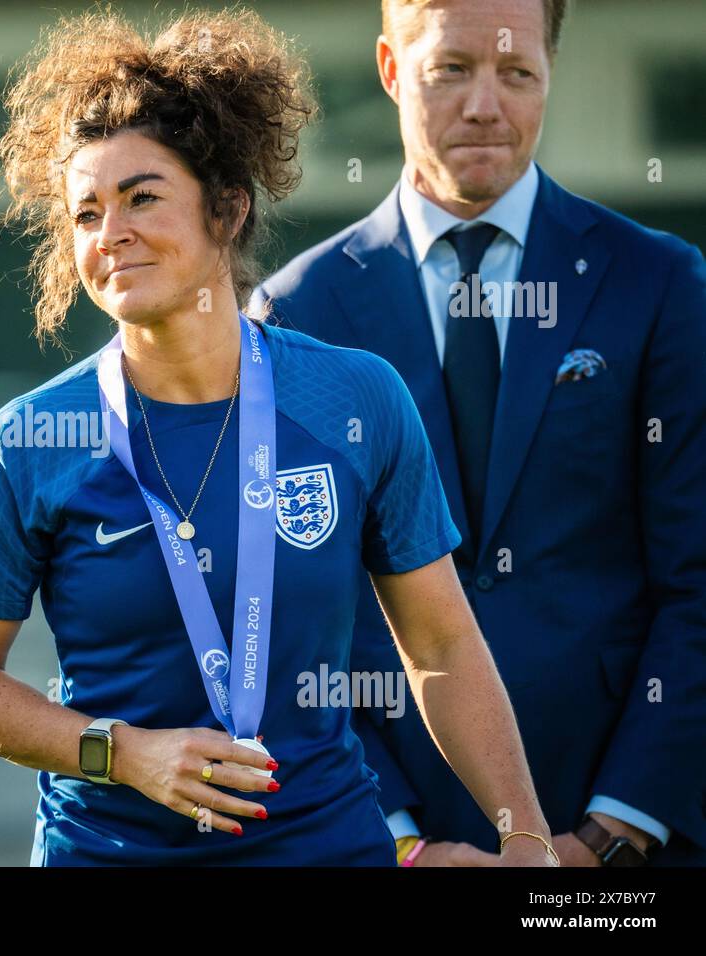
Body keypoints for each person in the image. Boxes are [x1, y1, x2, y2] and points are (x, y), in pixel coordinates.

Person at [0, 8, 556, 866]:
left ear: (227, 208)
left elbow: (441, 644)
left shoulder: (356, 397)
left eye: (143, 197)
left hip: (327, 848)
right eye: (86, 213)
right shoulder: (29, 440)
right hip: (104, 853)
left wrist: (525, 836)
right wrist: (123, 753)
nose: (111, 234)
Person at [250, 0, 706, 866]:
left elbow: (700, 582)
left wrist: (612, 834)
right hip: (383, 828)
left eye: (517, 73)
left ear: (550, 74)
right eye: (451, 69)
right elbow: (283, 619)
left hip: (618, 834)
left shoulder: (658, 284)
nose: (486, 105)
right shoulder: (293, 315)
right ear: (391, 69)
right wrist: (400, 844)